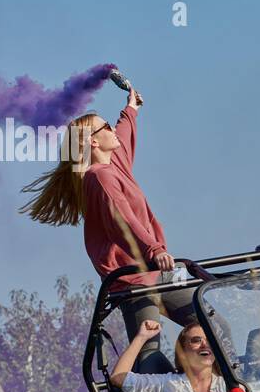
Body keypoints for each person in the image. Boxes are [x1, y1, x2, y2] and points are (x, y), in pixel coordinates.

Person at [19, 83, 193, 360]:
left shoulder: (115, 165)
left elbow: (123, 135)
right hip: (133, 280)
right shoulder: (99, 177)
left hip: (158, 272)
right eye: (106, 127)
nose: (113, 129)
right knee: (150, 355)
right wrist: (154, 249)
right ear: (93, 141)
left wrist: (131, 108)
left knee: (211, 325)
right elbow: (121, 219)